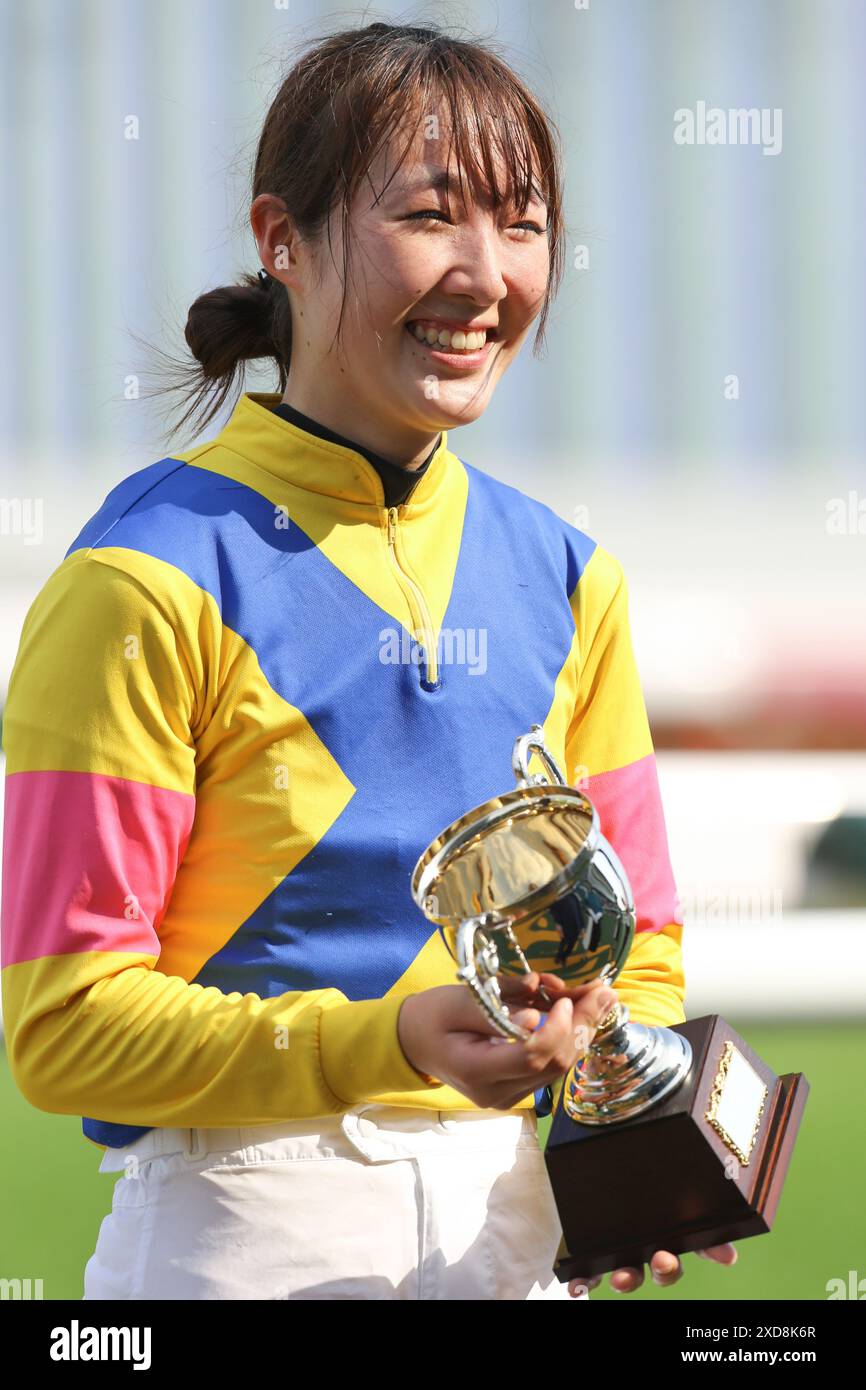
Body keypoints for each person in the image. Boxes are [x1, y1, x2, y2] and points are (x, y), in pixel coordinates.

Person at [0, 19, 735, 1300]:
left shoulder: (569, 576)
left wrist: (622, 1128)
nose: (483, 273)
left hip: (523, 1243)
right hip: (246, 1236)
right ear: (280, 237)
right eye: (430, 217)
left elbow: (643, 951)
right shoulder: (144, 575)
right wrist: (377, 1037)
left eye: (520, 223)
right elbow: (61, 1025)